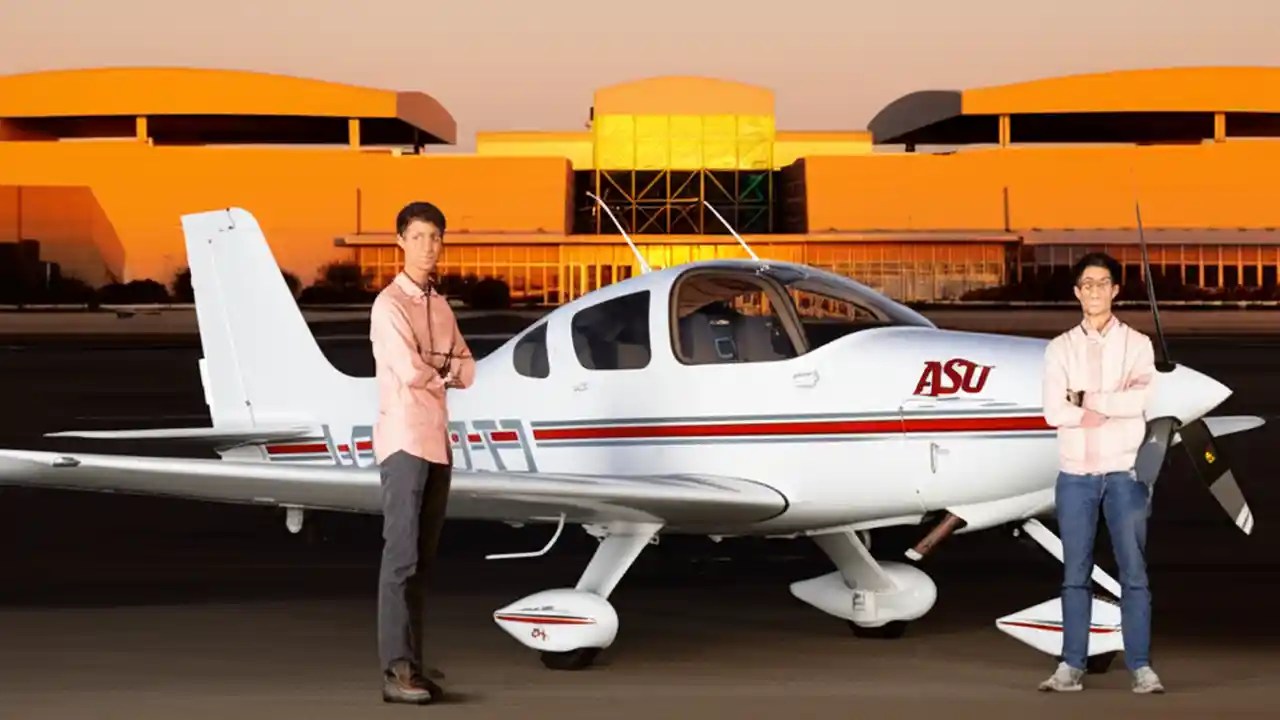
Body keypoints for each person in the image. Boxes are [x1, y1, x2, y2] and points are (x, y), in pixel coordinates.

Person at [1037, 251, 1164, 694]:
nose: (1094, 291)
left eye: (1102, 283)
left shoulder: (1138, 345)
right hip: (1075, 476)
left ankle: (1142, 668)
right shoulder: (1059, 348)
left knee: (1135, 574)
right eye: (1086, 284)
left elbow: (1138, 403)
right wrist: (1106, 403)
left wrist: (1085, 398)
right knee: (1075, 574)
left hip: (1124, 474)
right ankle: (1070, 667)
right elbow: (1054, 411)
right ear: (1077, 292)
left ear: (1115, 290)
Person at [369, 200, 476, 705]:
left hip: (437, 442)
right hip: (404, 442)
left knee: (423, 561)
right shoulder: (388, 305)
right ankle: (395, 671)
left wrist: (440, 369)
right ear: (400, 243)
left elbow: (468, 368)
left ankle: (413, 663)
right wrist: (442, 370)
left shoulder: (440, 305)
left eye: (435, 237)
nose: (428, 247)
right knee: (401, 558)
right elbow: (412, 371)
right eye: (417, 237)